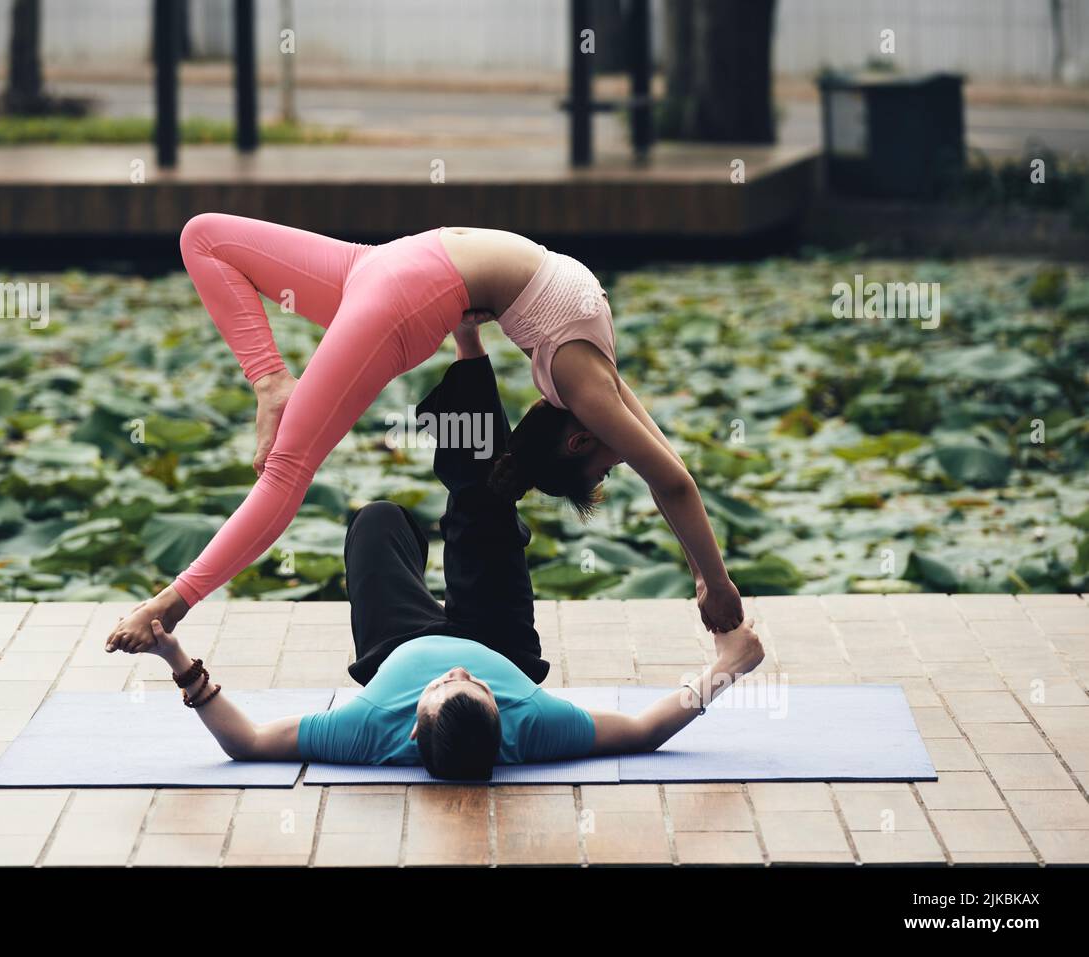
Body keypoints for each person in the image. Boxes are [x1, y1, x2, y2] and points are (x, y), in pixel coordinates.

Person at [109, 324, 766, 780]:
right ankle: (468, 341)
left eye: (445, 685)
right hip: (499, 638)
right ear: (500, 713)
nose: (457, 672)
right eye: (471, 684)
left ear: (413, 728)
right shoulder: (531, 724)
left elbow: (247, 743)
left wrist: (176, 655)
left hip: (395, 647)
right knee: (484, 502)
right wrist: (729, 664)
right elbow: (645, 732)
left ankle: (411, 516)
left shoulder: (368, 730)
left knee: (377, 521)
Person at [105, 215, 744, 655]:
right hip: (390, 267)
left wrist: (707, 574)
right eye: (607, 472)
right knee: (206, 237)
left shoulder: (585, 384)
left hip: (405, 289)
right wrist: (713, 583)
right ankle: (271, 381)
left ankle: (171, 602)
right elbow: (674, 477)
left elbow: (667, 474)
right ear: (579, 443)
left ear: (577, 439)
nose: (620, 458)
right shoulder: (589, 383)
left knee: (286, 470)